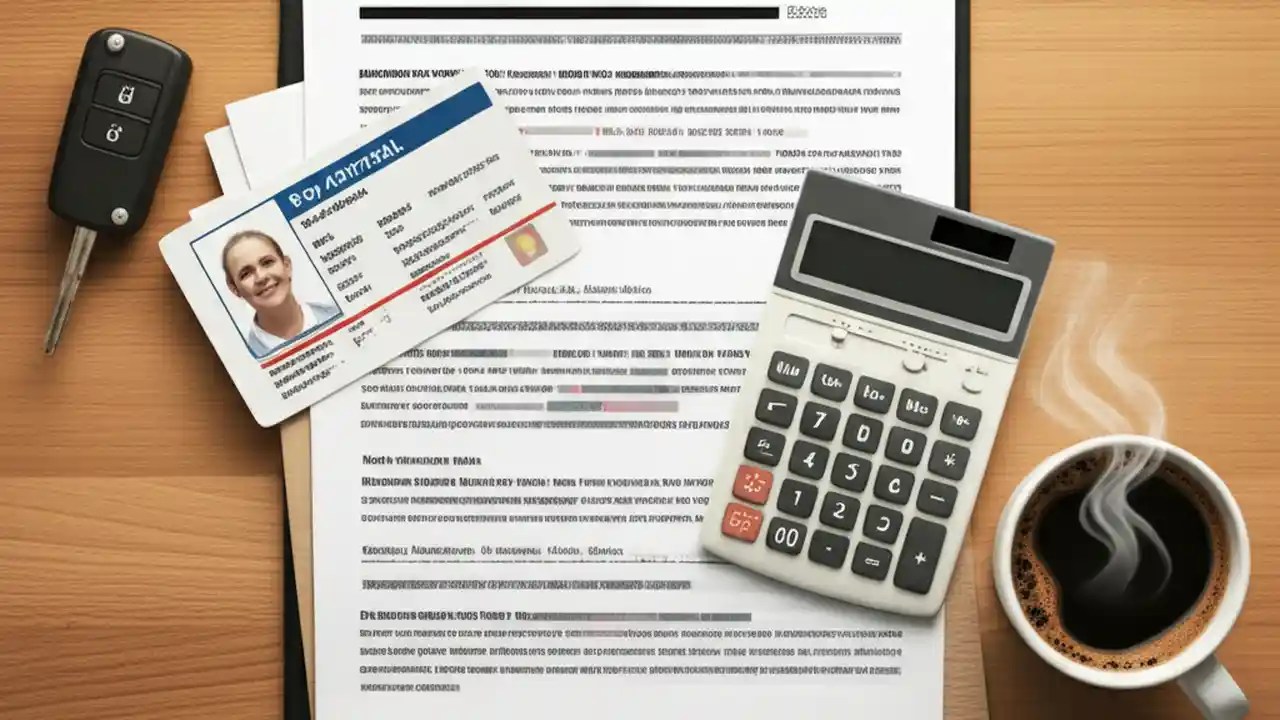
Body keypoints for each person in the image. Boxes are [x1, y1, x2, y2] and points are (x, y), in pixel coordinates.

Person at [220, 229, 339, 356]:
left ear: (287, 265)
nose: (261, 277)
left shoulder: (337, 312)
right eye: (246, 274)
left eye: (267, 262)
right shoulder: (245, 360)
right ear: (235, 289)